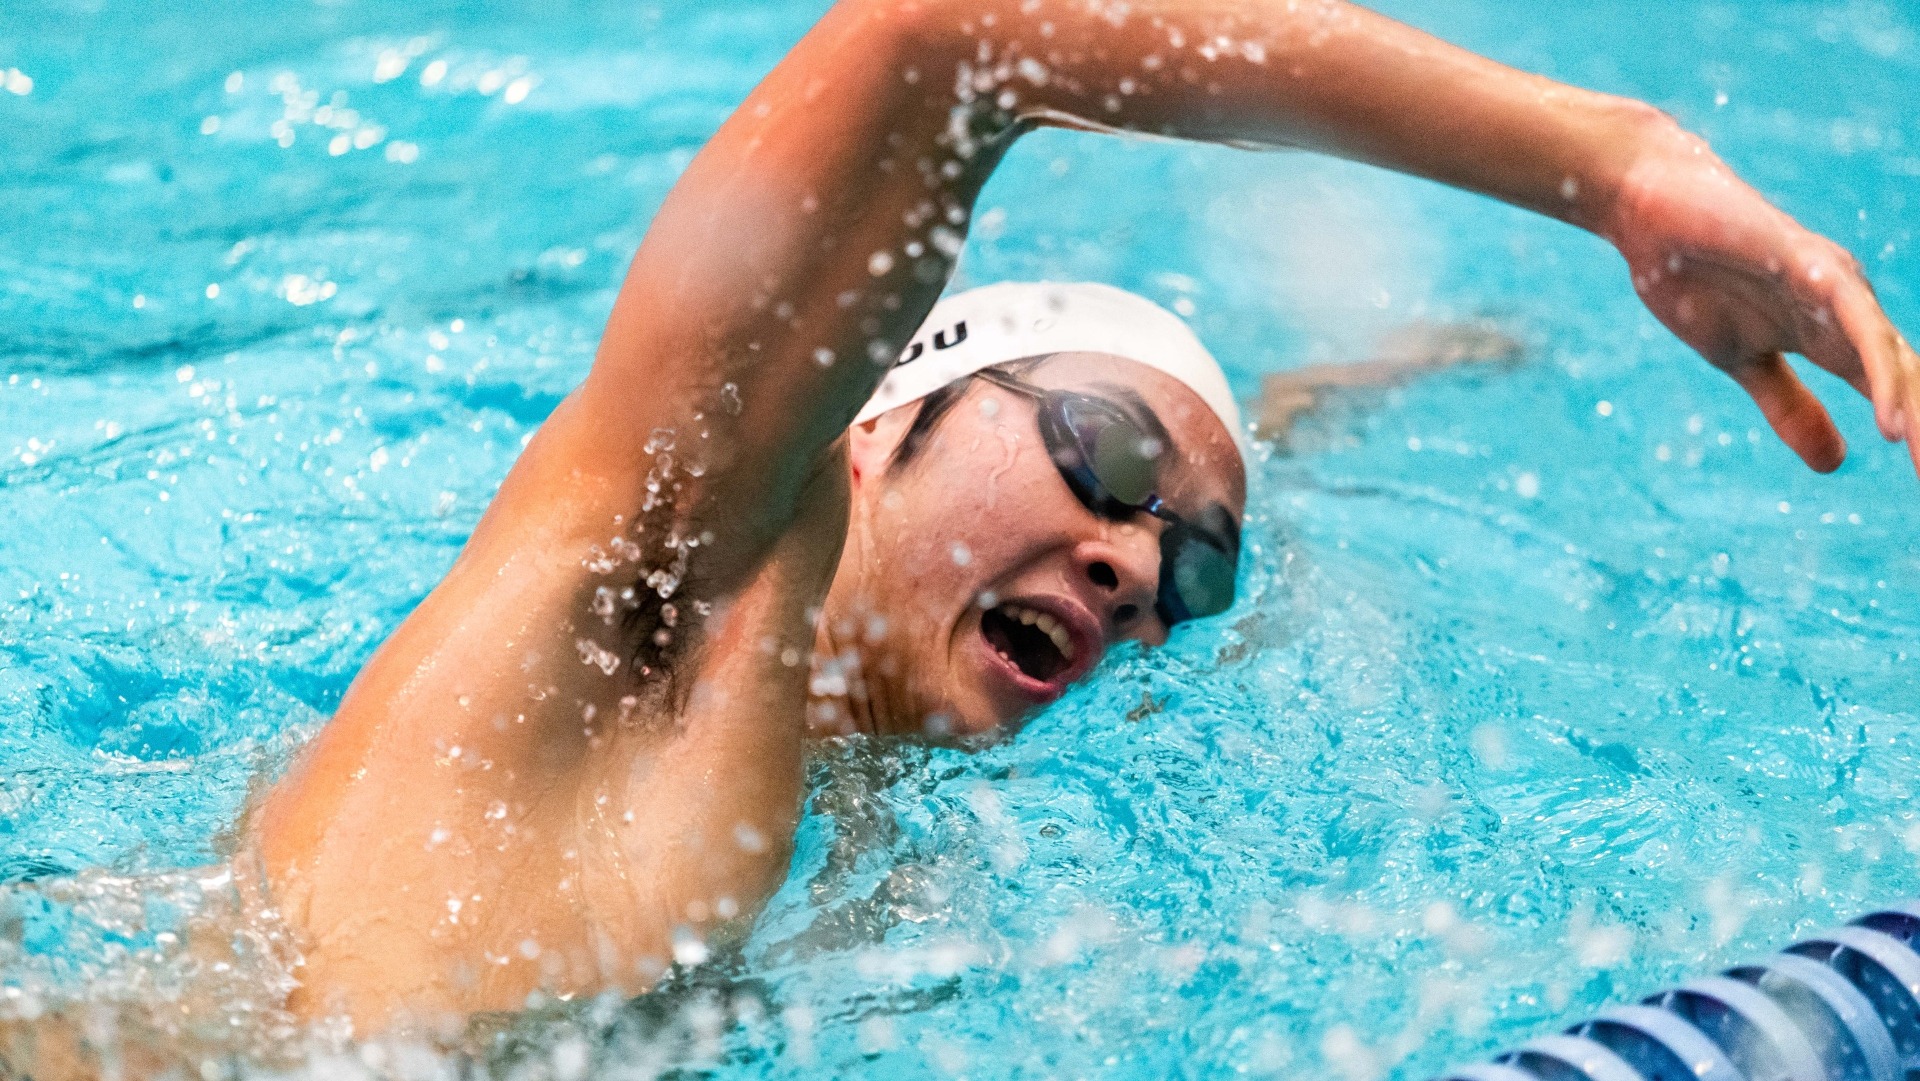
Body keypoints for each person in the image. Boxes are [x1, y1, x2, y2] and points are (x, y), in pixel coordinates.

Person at [56, 0, 1920, 1052]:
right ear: (876, 420)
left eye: (1195, 564)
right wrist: (1615, 168)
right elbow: (955, 39)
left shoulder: (862, 819)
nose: (1139, 564)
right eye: (1102, 456)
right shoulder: (655, 589)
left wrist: (1333, 398)